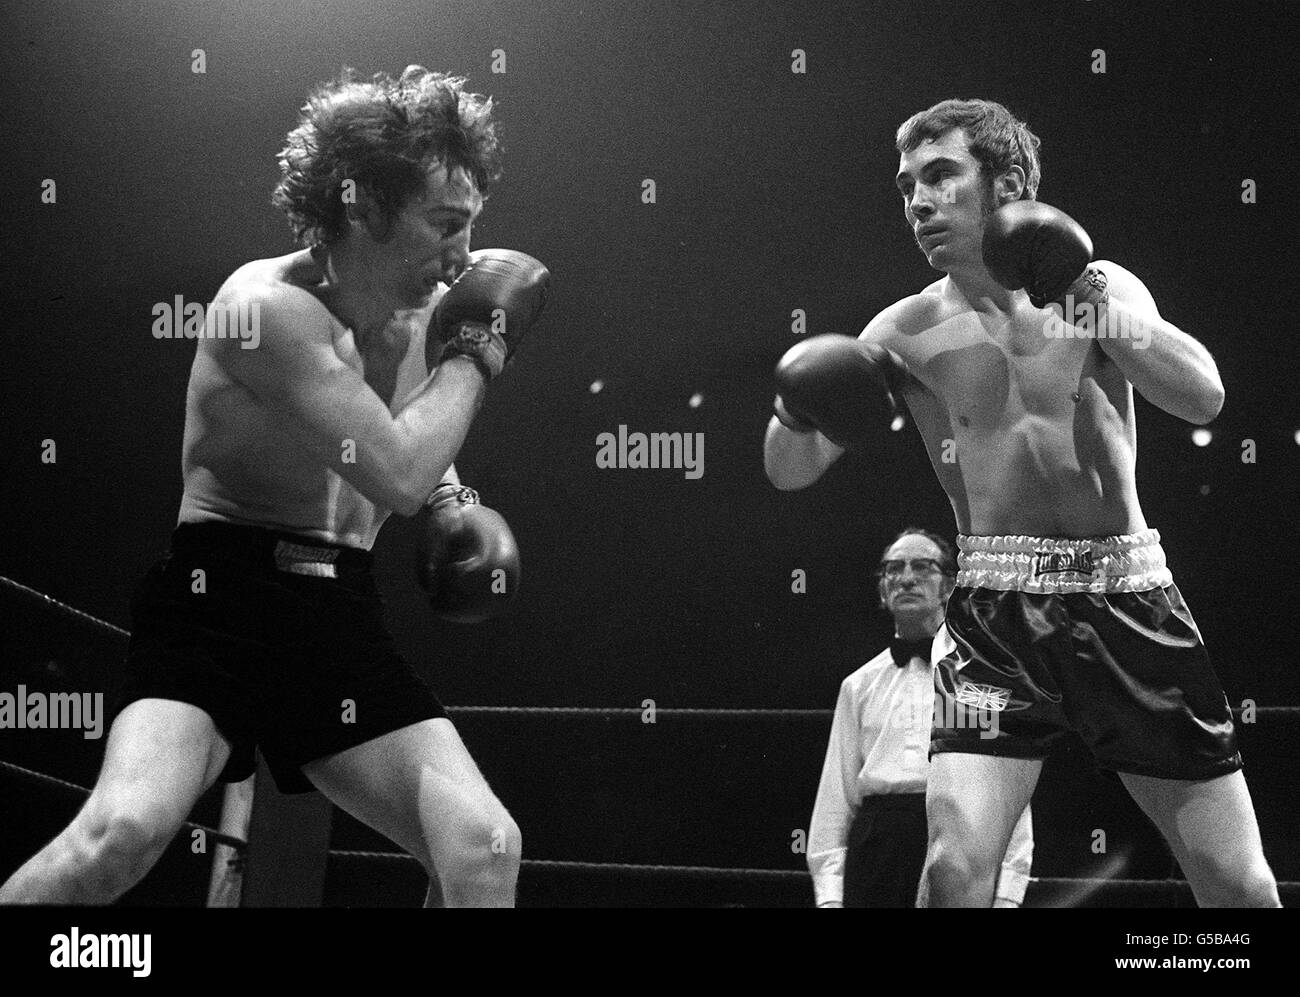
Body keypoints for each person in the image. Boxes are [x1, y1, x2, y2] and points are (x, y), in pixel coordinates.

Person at [0, 66, 549, 907]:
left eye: (471, 227)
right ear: (363, 202)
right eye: (445, 224)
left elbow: (404, 452)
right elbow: (396, 467)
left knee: (483, 846)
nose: (465, 256)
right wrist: (478, 352)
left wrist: (452, 500)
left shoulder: (417, 321)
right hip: (220, 601)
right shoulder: (260, 309)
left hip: (336, 615)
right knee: (121, 835)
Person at [766, 98, 1279, 907]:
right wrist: (797, 405)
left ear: (1006, 182)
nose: (919, 203)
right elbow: (789, 470)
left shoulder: (1095, 288)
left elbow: (1205, 395)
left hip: (1128, 598)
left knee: (1235, 882)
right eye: (907, 188)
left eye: (940, 176)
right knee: (953, 869)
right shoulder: (901, 332)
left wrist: (1091, 295)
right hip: (993, 618)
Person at [808, 528, 1032, 908]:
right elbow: (836, 798)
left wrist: (1009, 894)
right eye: (894, 569)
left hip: (955, 838)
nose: (907, 578)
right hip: (876, 854)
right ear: (882, 589)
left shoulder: (970, 679)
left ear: (948, 586)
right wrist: (830, 899)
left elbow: (1001, 794)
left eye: (922, 567)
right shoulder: (858, 685)